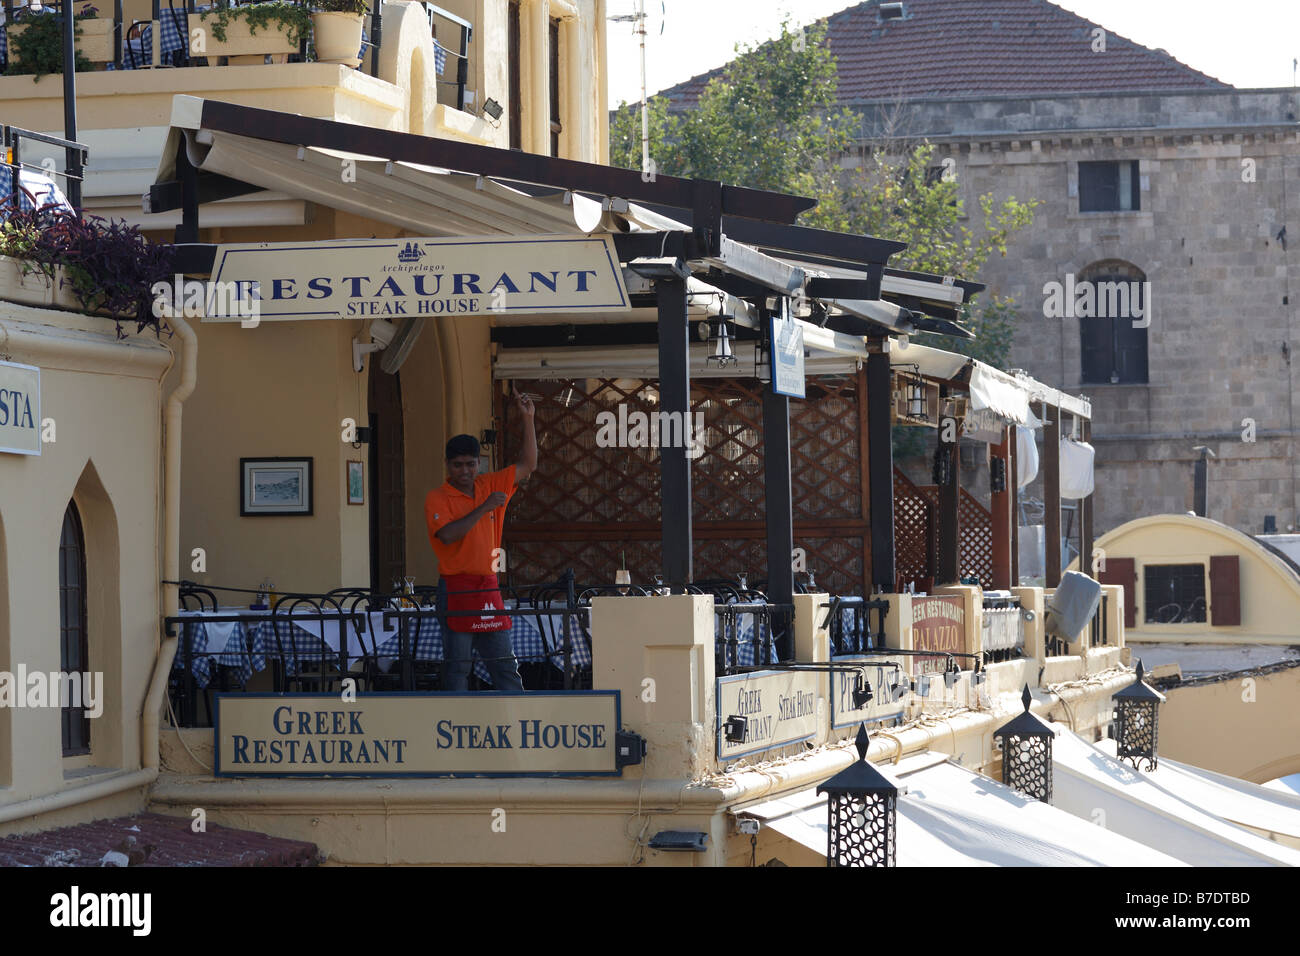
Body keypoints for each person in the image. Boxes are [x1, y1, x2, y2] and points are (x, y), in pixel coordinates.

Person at [425, 386, 537, 692]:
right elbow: (447, 536)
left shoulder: (489, 483)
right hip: (455, 586)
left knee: (505, 664)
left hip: (487, 584)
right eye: (458, 465)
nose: (464, 471)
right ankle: (457, 728)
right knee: (458, 667)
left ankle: (517, 724)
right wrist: (484, 507)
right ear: (448, 465)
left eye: (470, 464)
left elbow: (528, 465)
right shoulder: (438, 497)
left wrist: (528, 418)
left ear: (479, 463)